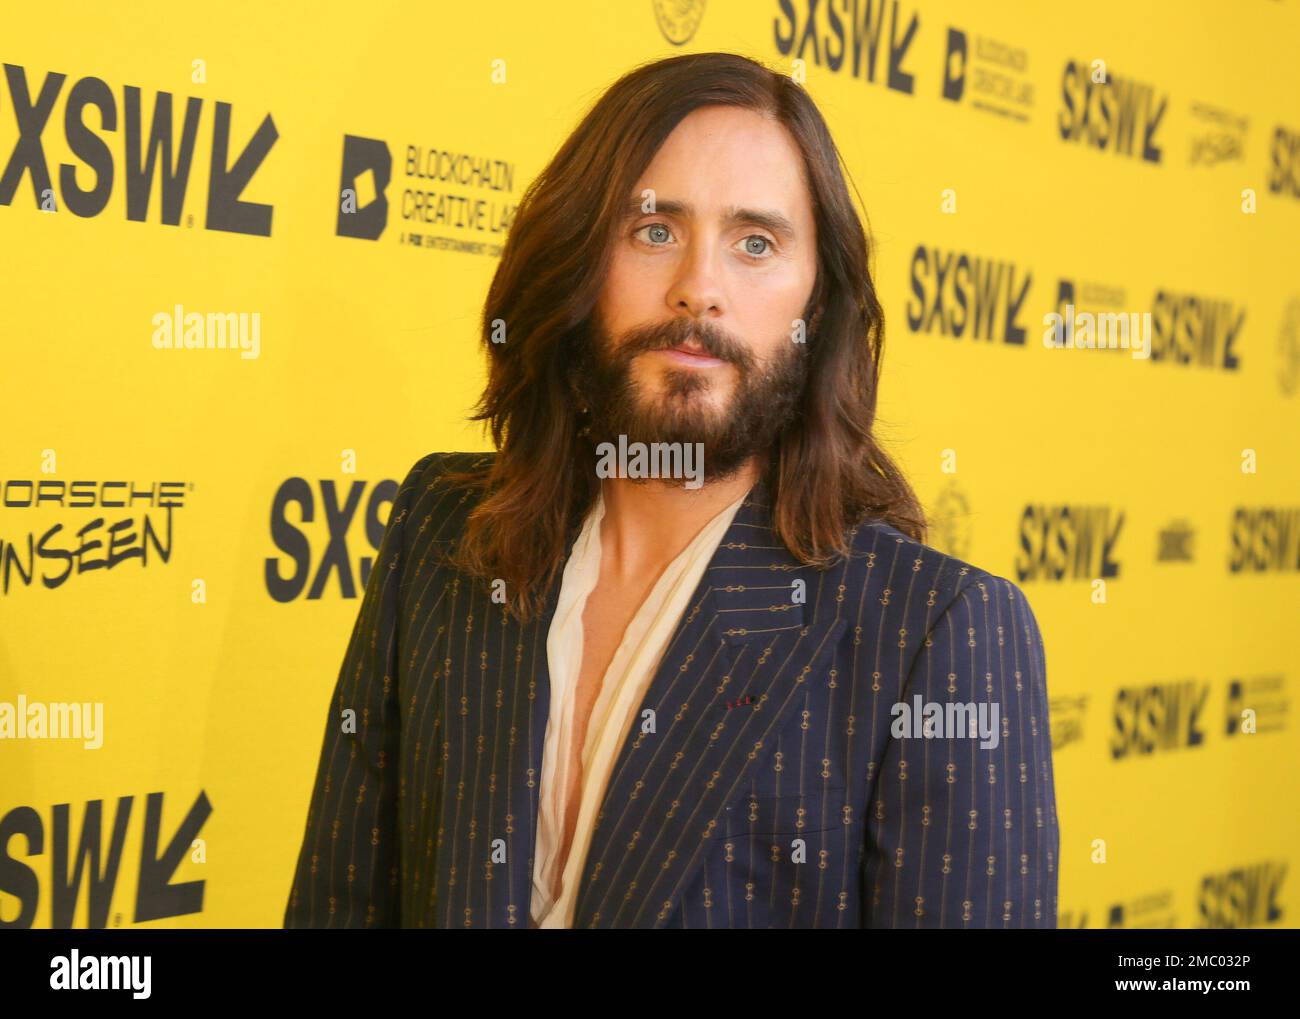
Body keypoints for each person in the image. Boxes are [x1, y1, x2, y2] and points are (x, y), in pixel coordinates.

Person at [284, 51, 1059, 929]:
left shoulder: (933, 633)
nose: (700, 288)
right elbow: (337, 905)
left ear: (818, 305)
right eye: (654, 230)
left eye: (756, 243)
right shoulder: (440, 533)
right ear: (581, 262)